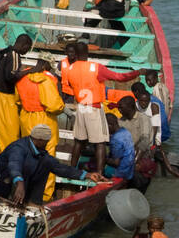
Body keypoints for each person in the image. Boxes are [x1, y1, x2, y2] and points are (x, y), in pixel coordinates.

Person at [64, 42, 140, 173]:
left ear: (75, 54)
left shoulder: (70, 69)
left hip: (81, 107)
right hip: (93, 108)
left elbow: (70, 85)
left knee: (78, 141)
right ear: (87, 53)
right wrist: (137, 72)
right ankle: (99, 174)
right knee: (100, 142)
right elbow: (119, 77)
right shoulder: (96, 68)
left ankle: (72, 170)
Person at [0, 123, 103, 206]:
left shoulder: (42, 153)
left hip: (25, 186)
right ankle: (9, 202)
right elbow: (14, 164)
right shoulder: (19, 148)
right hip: (3, 183)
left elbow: (60, 168)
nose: (47, 143)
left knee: (46, 163)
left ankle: (33, 203)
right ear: (39, 140)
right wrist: (19, 183)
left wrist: (86, 175)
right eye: (46, 141)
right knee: (20, 171)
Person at [0, 34, 34, 153]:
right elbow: (10, 76)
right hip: (7, 97)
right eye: (28, 48)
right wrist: (30, 71)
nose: (27, 51)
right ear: (23, 45)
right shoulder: (14, 55)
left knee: (1, 127)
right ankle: (8, 153)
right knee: (11, 129)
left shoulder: (5, 52)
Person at [14, 59, 63, 153]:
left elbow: (17, 99)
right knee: (48, 148)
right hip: (46, 117)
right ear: (45, 64)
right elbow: (54, 106)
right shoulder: (48, 78)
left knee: (28, 148)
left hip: (26, 116)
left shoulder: (23, 76)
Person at [105, 114, 137, 187]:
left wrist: (103, 159)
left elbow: (116, 163)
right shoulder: (125, 132)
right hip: (129, 171)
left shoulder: (116, 139)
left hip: (120, 172)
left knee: (91, 165)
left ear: (110, 126)